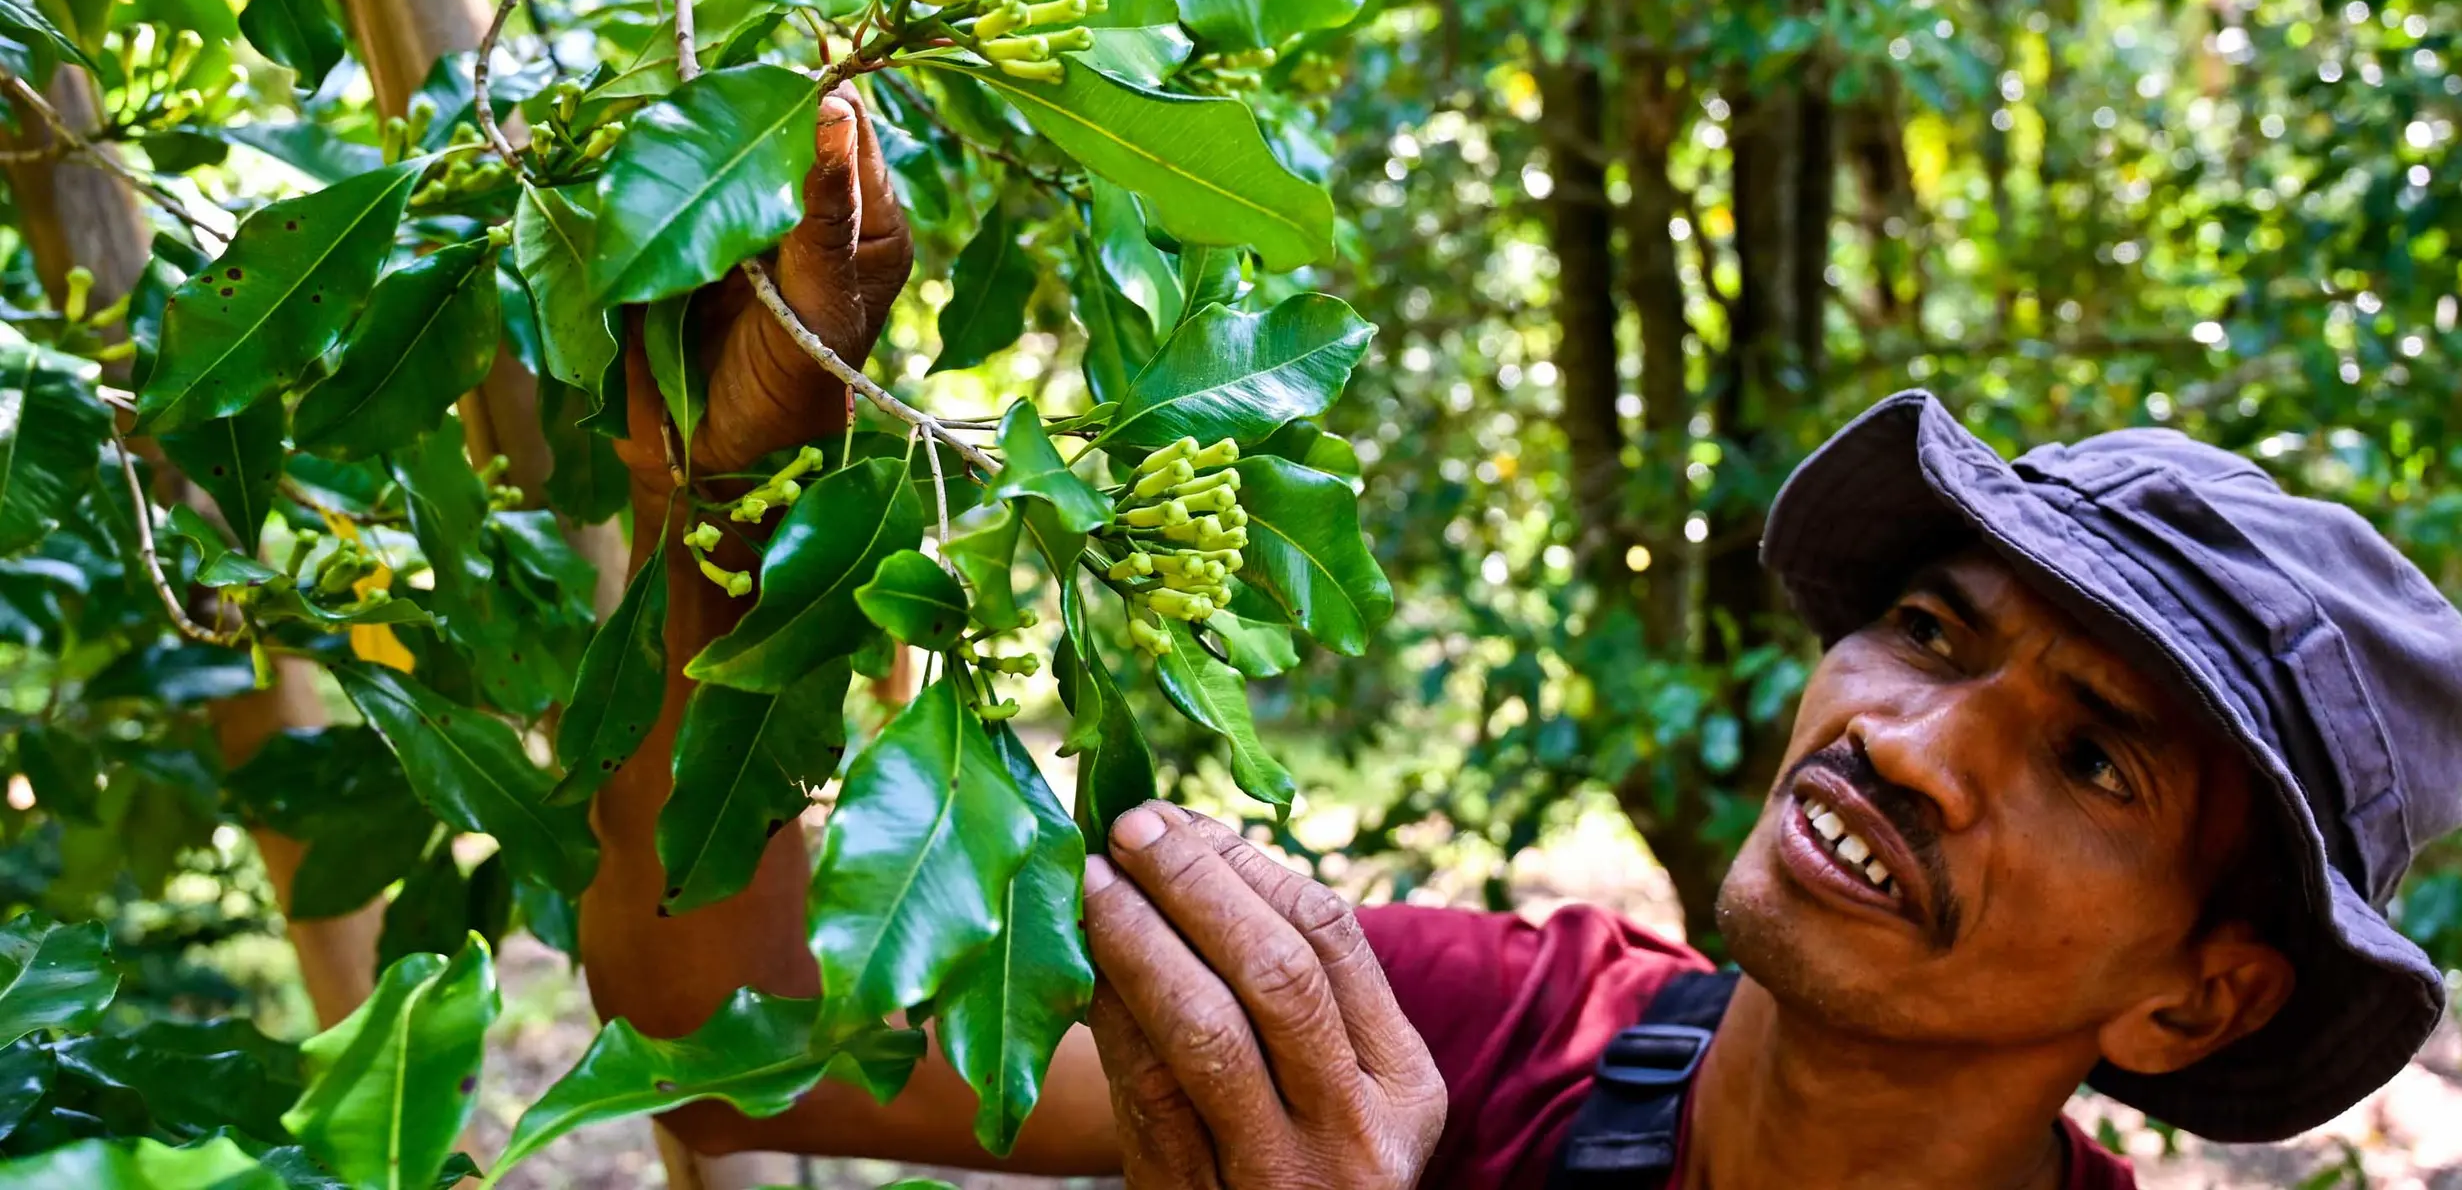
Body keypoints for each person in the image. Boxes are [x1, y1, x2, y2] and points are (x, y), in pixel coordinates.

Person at [582, 90, 2462, 1189]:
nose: (1907, 742)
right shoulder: (1492, 1030)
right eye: (1922, 628)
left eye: (2091, 759)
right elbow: (718, 1009)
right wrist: (731, 515)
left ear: (2195, 998)